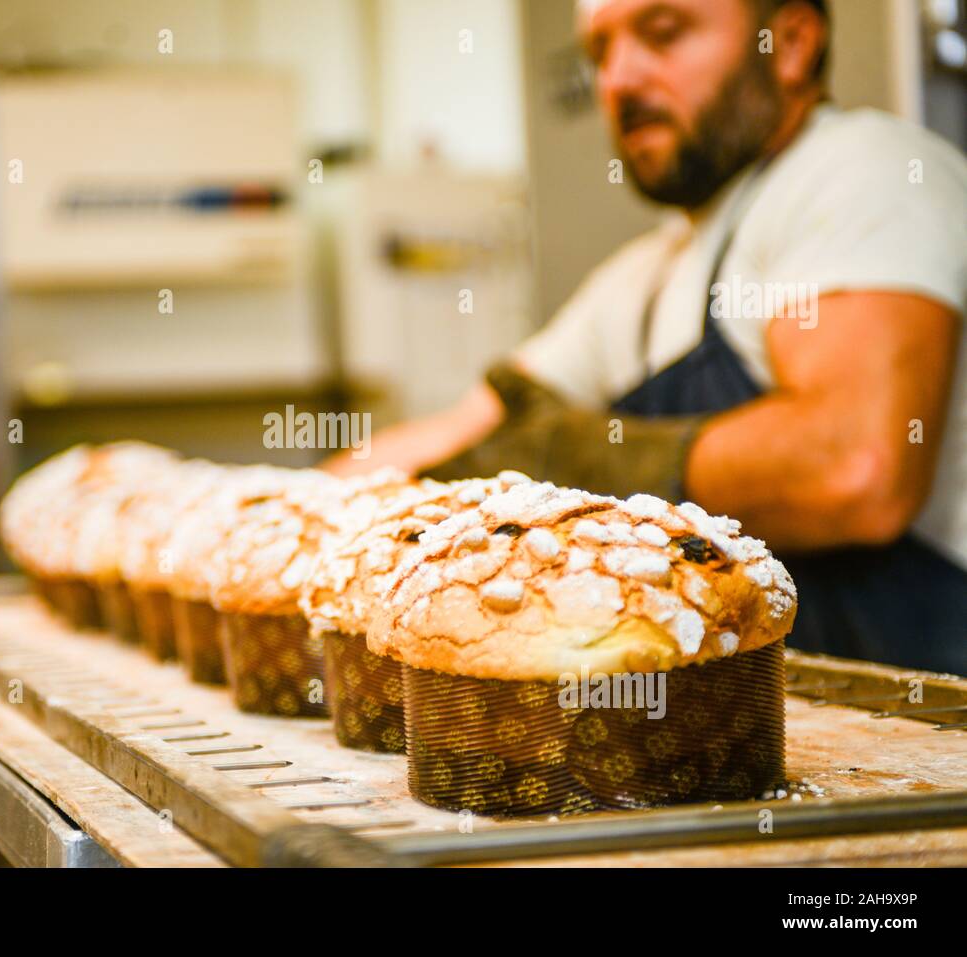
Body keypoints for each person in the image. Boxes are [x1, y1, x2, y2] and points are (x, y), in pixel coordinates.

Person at [328, 0, 967, 673]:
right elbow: (467, 431)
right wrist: (305, 513)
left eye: (663, 33)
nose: (620, 80)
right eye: (600, 52)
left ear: (790, 43)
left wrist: (576, 464)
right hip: (784, 734)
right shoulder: (647, 274)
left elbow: (855, 470)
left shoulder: (863, 173)